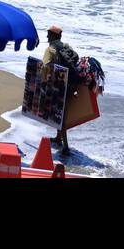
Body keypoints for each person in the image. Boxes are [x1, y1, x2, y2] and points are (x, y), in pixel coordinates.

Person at [42, 25, 80, 155]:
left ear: (53, 36)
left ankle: (66, 147)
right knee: (62, 112)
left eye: (48, 34)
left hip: (59, 86)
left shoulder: (50, 49)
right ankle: (58, 138)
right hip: (71, 85)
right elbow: (76, 60)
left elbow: (45, 66)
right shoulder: (67, 46)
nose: (47, 37)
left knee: (60, 115)